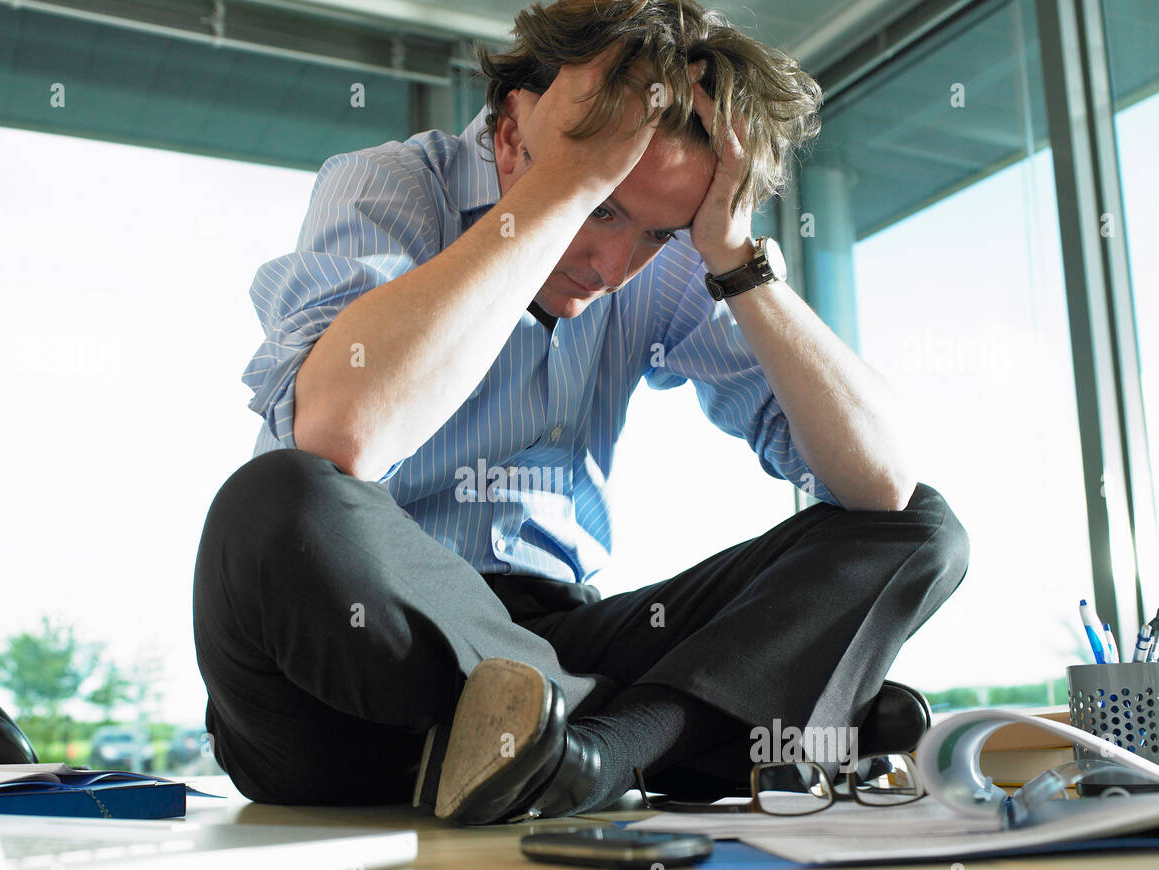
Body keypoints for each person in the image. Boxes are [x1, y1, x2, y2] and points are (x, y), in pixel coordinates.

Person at [192, 0, 970, 826]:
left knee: (922, 527)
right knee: (276, 504)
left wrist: (735, 260)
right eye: (600, 209)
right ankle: (712, 721)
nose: (610, 266)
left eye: (654, 235)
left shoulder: (668, 263)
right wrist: (560, 188)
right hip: (352, 673)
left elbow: (882, 482)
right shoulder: (390, 186)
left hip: (561, 643)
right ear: (508, 134)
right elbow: (337, 433)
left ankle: (600, 751)